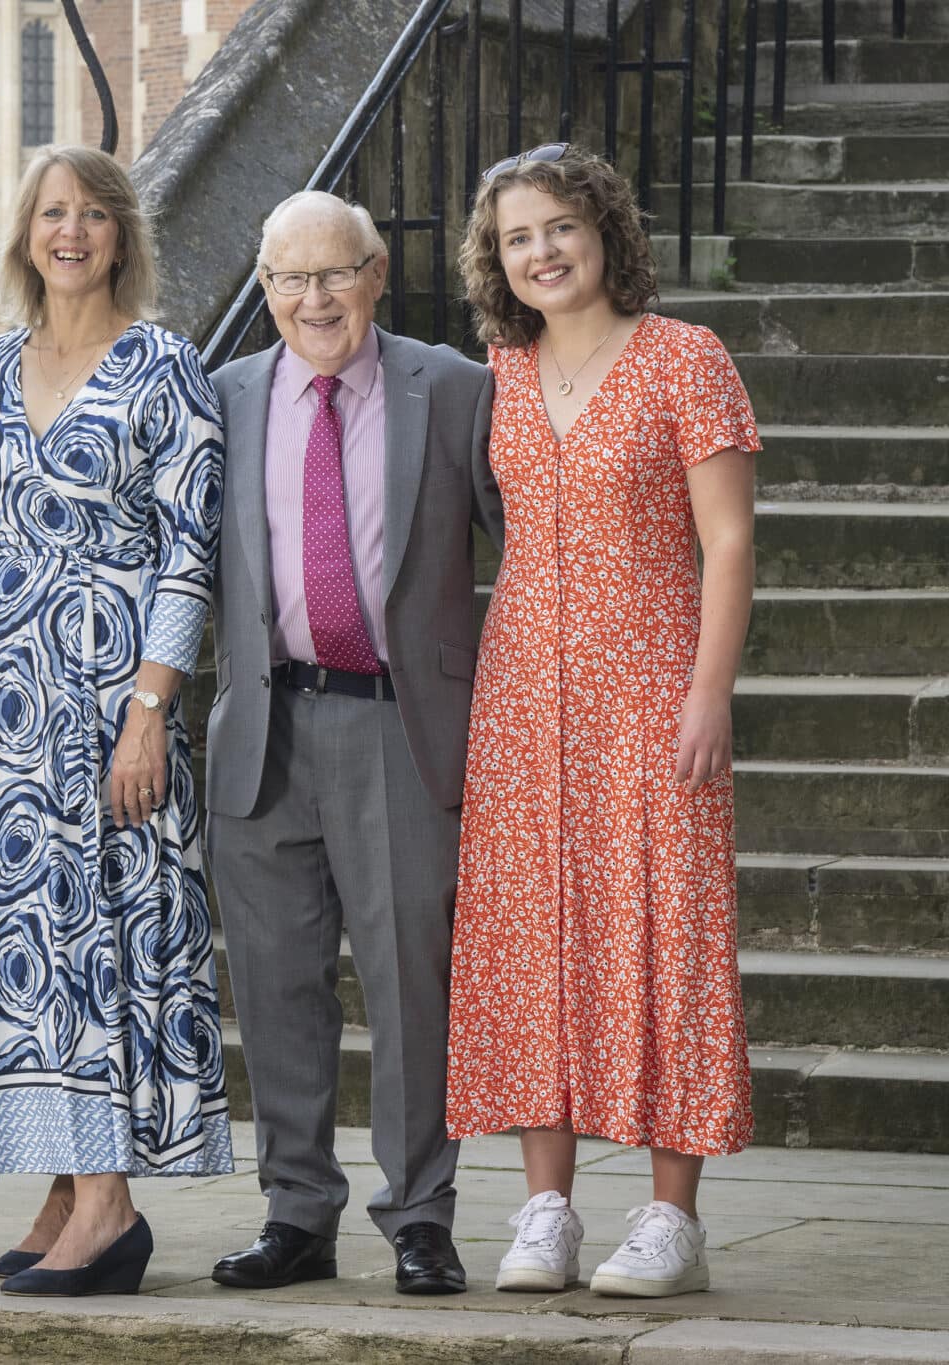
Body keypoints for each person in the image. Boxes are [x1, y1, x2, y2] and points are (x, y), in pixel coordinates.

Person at [448, 144, 759, 1299]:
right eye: (517, 236)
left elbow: (725, 539)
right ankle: (544, 1211)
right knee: (531, 941)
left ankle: (668, 1222)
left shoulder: (686, 358)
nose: (541, 252)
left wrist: (707, 691)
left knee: (665, 934)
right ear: (498, 259)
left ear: (604, 232)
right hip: (522, 693)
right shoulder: (497, 370)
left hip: (653, 686)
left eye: (559, 228)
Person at [0, 144, 230, 1300]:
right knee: (23, 951)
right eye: (51, 213)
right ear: (25, 234)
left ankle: (110, 1201)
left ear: (121, 235)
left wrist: (148, 713)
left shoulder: (165, 366)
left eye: (92, 214)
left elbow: (187, 553)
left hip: (111, 694)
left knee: (107, 939)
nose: (70, 232)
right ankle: (58, 1182)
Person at [202, 191, 500, 1298]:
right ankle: (295, 1214)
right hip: (262, 726)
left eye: (334, 275)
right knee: (275, 984)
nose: (311, 299)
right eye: (288, 279)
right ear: (265, 286)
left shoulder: (454, 390)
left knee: (408, 983)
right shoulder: (223, 395)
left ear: (376, 274)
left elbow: (523, 549)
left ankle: (419, 1216)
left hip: (397, 727)